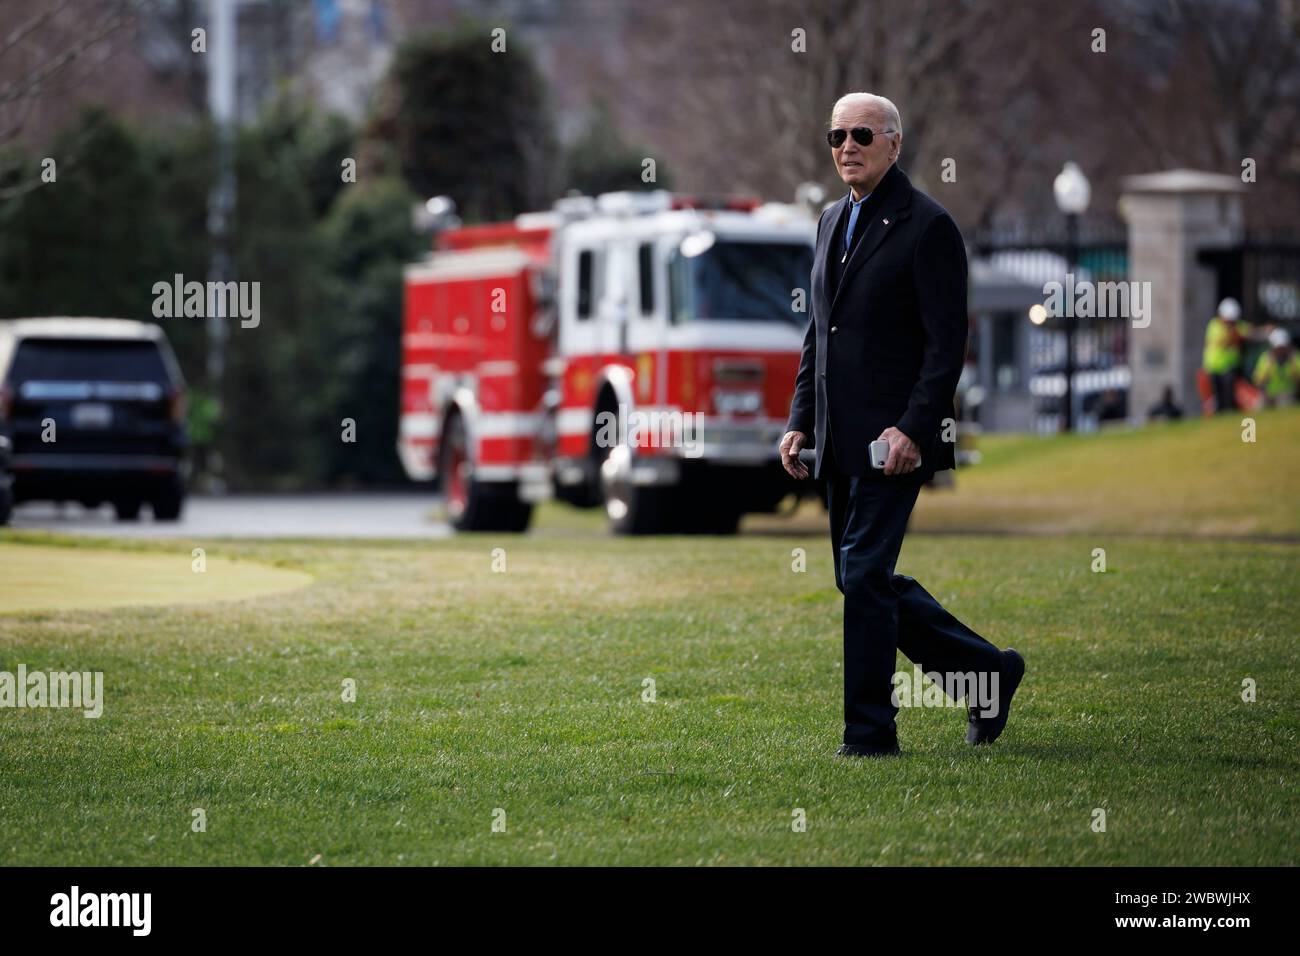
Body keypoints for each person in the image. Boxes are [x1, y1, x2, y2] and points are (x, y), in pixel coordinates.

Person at [779, 92, 1024, 758]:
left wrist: (914, 430)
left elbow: (947, 347)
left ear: (894, 143)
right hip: (837, 436)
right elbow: (818, 333)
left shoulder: (928, 226)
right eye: (836, 136)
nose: (846, 146)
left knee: (863, 577)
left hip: (896, 440)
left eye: (861, 133)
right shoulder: (831, 219)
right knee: (861, 578)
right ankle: (988, 678)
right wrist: (802, 418)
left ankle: (870, 735)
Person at [1202, 298, 1247, 413]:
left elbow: (1249, 332)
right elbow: (1224, 341)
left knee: (1230, 396)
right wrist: (1235, 335)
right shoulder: (1215, 326)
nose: (1231, 323)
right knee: (1217, 398)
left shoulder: (1237, 326)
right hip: (1214, 368)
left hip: (1230, 367)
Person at [1251, 328, 1300, 407]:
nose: (1280, 351)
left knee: (1284, 403)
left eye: (1282, 348)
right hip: (1268, 394)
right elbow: (1258, 382)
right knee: (1259, 406)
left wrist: (1293, 366)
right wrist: (1269, 366)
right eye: (1278, 348)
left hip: (1287, 393)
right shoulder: (1266, 358)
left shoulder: (1295, 357)